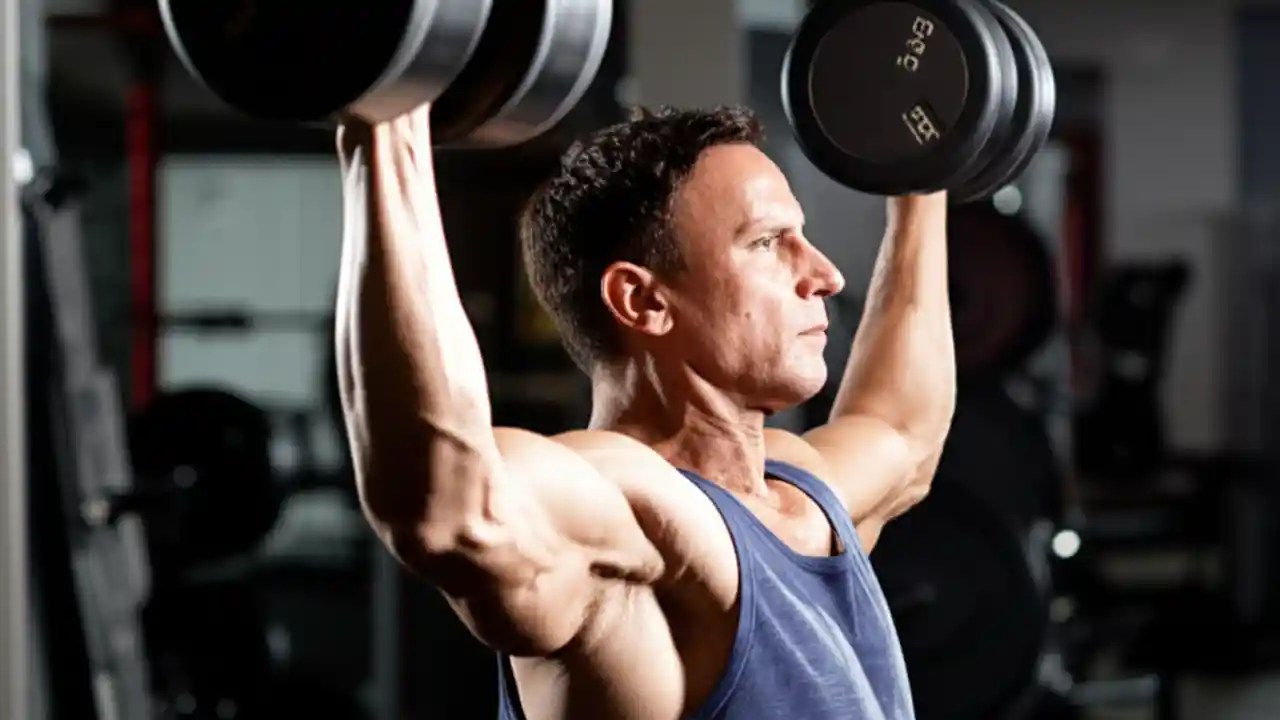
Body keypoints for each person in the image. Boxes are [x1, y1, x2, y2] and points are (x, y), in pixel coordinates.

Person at [334, 103, 955, 720]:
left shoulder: (797, 491)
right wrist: (389, 130)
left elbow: (904, 433)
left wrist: (921, 176)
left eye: (802, 237)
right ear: (643, 300)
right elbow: (455, 510)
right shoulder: (630, 516)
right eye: (767, 243)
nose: (825, 275)